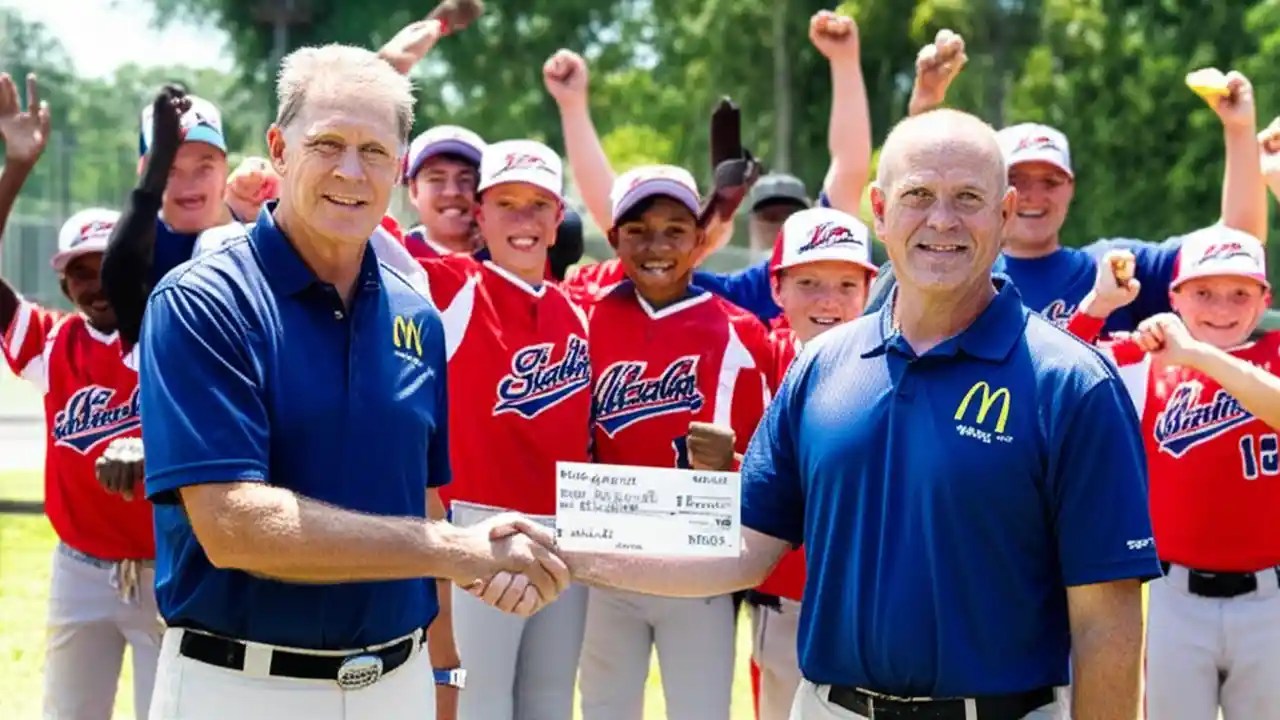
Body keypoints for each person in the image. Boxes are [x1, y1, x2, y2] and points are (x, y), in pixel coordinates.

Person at [477, 108, 1162, 720]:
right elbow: (741, 546)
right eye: (919, 196)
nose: (942, 221)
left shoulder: (1071, 382)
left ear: (1007, 213)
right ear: (880, 208)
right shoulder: (823, 366)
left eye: (969, 199)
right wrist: (563, 548)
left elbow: (1107, 622)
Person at [133, 44, 568, 720]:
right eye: (327, 143)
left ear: (398, 168)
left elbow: (422, 501)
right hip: (240, 689)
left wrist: (444, 671)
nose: (350, 170)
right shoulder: (202, 301)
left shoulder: (416, 314)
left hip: (398, 685)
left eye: (374, 151)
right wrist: (461, 551)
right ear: (278, 148)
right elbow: (234, 525)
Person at [864, 31, 1268, 333]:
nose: (1034, 195)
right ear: (997, 196)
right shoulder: (960, 272)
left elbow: (1237, 245)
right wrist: (925, 110)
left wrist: (1239, 128)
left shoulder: (1113, 268)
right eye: (1018, 179)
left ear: (1071, 188)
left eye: (1050, 180)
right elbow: (915, 206)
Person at [572, 165, 773, 720]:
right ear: (613, 239)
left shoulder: (740, 331)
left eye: (675, 229)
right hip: (605, 561)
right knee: (605, 708)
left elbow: (766, 468)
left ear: (699, 240)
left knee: (701, 710)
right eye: (637, 229)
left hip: (698, 571)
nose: (656, 245)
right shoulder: (583, 317)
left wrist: (729, 462)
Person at [1066, 228, 1280, 720]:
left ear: (1265, 298)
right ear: (1175, 296)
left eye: (1240, 293)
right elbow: (1060, 365)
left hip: (1270, 597)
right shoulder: (1147, 358)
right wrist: (1099, 305)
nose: (1222, 308)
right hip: (1174, 597)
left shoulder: (1272, 353)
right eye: (1203, 292)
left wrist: (1198, 356)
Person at [0, 72, 162, 720]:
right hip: (79, 569)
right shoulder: (49, 343)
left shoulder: (174, 336)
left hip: (166, 570)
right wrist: (15, 168)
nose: (99, 288)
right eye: (81, 274)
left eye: (110, 267)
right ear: (62, 282)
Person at [415, 138, 593, 720]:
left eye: (538, 204)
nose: (523, 220)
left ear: (558, 216)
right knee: (478, 699)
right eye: (506, 204)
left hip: (564, 531)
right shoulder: (451, 285)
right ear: (480, 213)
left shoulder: (577, 311)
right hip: (479, 525)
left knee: (548, 702)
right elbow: (357, 229)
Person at [548, 10, 871, 325]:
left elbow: (848, 177)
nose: (778, 227)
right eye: (769, 216)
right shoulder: (717, 298)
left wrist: (845, 64)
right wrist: (573, 107)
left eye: (790, 217)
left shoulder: (780, 285)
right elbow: (614, 212)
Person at [743, 206, 878, 720]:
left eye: (847, 283)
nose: (829, 300)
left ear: (869, 289)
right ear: (776, 288)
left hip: (865, 598)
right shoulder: (759, 352)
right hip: (783, 595)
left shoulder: (897, 362)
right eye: (808, 282)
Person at [401, 123, 487, 258]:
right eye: (436, 179)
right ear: (414, 191)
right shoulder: (394, 261)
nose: (452, 192)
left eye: (465, 179)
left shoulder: (511, 263)